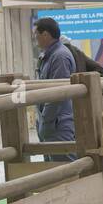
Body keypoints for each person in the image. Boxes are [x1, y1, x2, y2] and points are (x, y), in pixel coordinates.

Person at [34, 17, 77, 163]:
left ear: (45, 34)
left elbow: (59, 93)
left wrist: (46, 121)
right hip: (50, 122)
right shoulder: (48, 55)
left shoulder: (60, 56)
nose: (36, 39)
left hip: (58, 123)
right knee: (53, 168)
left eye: (37, 35)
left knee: (65, 168)